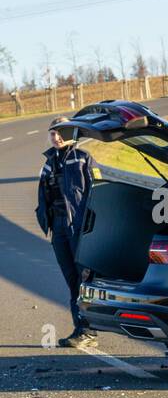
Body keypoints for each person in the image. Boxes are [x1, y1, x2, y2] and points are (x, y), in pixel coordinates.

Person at [35, 117, 98, 347]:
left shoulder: (83, 159)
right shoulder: (49, 162)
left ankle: (87, 330)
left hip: (79, 227)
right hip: (58, 228)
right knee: (71, 280)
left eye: (61, 132)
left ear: (71, 134)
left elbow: (97, 193)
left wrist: (91, 225)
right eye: (53, 133)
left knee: (83, 278)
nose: (56, 137)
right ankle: (80, 329)